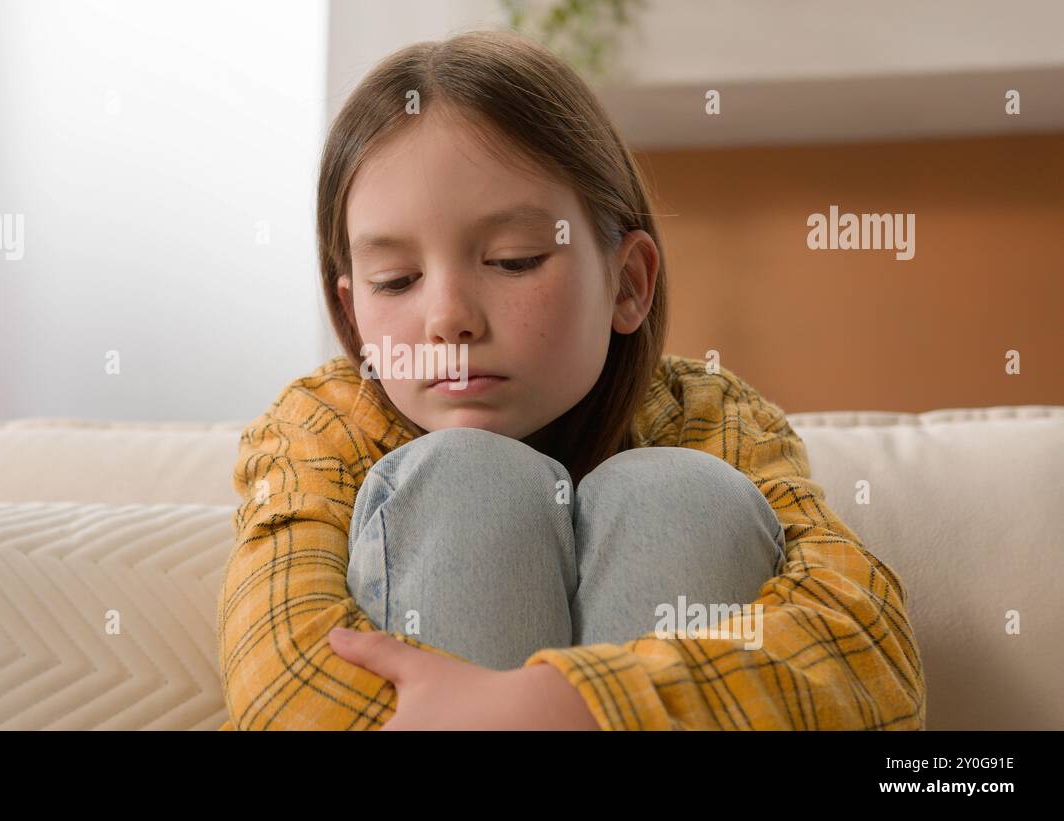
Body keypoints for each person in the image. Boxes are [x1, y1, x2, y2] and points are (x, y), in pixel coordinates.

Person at [216, 29, 925, 730]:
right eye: (395, 279)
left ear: (627, 282)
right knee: (468, 477)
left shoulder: (715, 418)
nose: (448, 320)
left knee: (681, 492)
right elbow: (279, 679)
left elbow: (869, 657)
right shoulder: (320, 425)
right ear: (352, 310)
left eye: (515, 259)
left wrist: (575, 705)